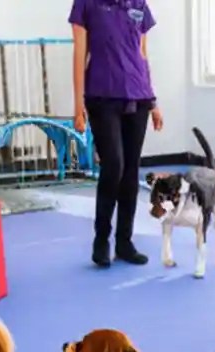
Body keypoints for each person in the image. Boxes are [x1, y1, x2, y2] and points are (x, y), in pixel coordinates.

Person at [69, 0, 164, 268]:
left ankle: (125, 242)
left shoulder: (138, 5)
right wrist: (78, 106)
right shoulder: (86, 4)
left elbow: (142, 54)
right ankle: (101, 240)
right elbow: (79, 54)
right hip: (102, 96)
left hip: (139, 97)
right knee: (114, 166)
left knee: (131, 170)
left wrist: (154, 102)